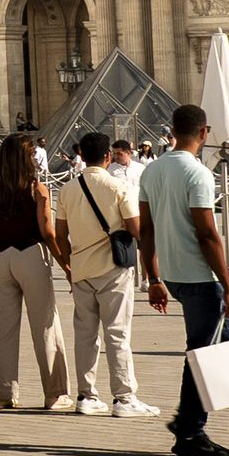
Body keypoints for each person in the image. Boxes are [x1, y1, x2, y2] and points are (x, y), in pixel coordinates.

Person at [143, 104, 229, 456]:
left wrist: (154, 278)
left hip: (173, 274)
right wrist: (228, 284)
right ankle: (189, 429)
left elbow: (146, 230)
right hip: (201, 276)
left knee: (219, 347)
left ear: (172, 131)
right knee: (206, 351)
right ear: (204, 132)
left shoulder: (152, 170)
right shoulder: (198, 174)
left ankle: (189, 423)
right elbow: (208, 234)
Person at [51, 132, 150, 416]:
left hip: (80, 269)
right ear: (108, 156)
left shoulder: (67, 189)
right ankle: (124, 398)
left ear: (81, 155)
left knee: (85, 335)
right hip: (113, 268)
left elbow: (60, 234)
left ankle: (86, 395)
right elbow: (135, 229)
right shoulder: (118, 187)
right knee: (117, 332)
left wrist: (68, 266)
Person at [0, 133, 68, 412]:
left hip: (0, 256)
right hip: (30, 254)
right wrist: (65, 264)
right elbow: (48, 232)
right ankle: (55, 394)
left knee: (3, 328)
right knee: (45, 325)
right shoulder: (37, 189)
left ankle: (3, 394)